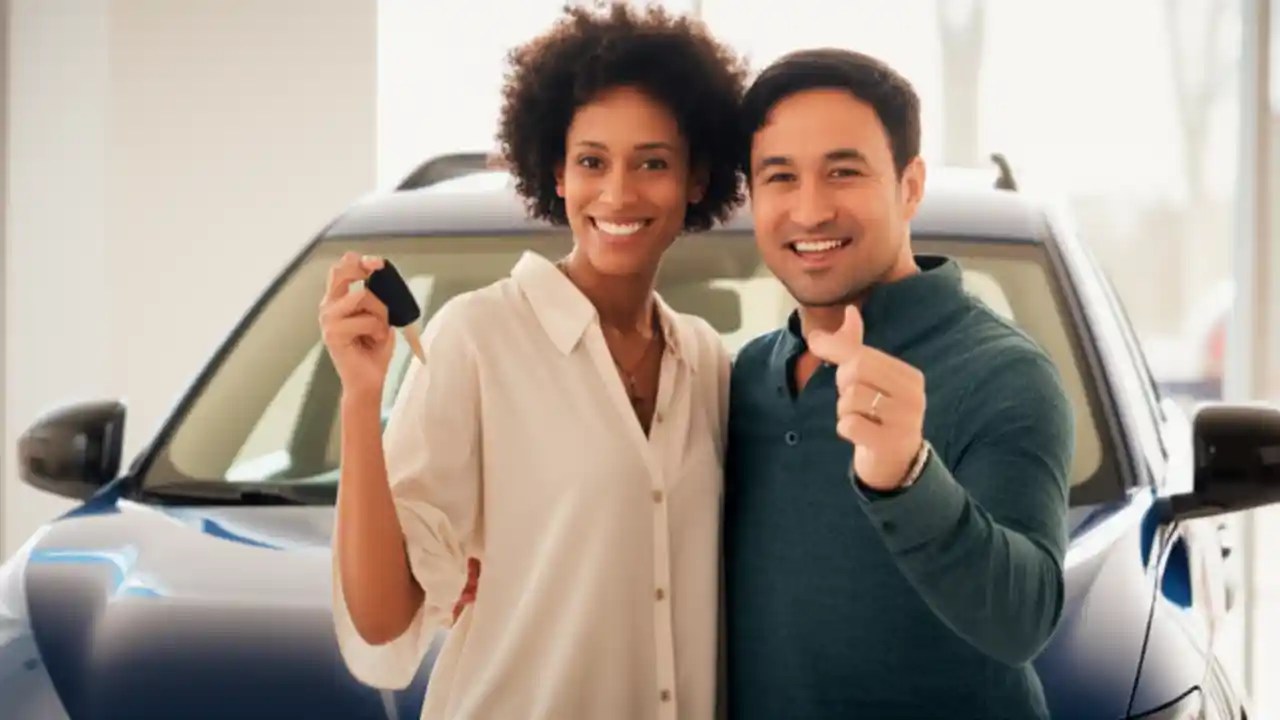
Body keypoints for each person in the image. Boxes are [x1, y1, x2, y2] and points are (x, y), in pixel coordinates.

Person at [319, 4, 746, 718]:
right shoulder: (479, 338)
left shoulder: (706, 361)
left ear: (697, 177)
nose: (617, 193)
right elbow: (383, 621)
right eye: (591, 161)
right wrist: (362, 399)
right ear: (555, 171)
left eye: (653, 163)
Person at [724, 48, 1074, 719]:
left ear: (910, 185)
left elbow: (1024, 621)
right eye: (780, 177)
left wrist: (905, 475)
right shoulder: (742, 379)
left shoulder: (1004, 374)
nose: (810, 209)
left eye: (843, 172)